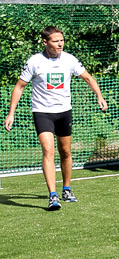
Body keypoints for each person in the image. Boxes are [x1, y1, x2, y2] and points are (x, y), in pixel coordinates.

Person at [4, 26, 108, 210]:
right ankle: (53, 196)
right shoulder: (34, 62)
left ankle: (66, 189)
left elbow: (88, 78)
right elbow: (19, 87)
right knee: (48, 149)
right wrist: (11, 113)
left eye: (62, 40)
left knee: (65, 152)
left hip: (64, 111)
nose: (60, 44)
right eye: (55, 41)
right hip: (42, 112)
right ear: (45, 42)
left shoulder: (69, 60)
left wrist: (99, 96)